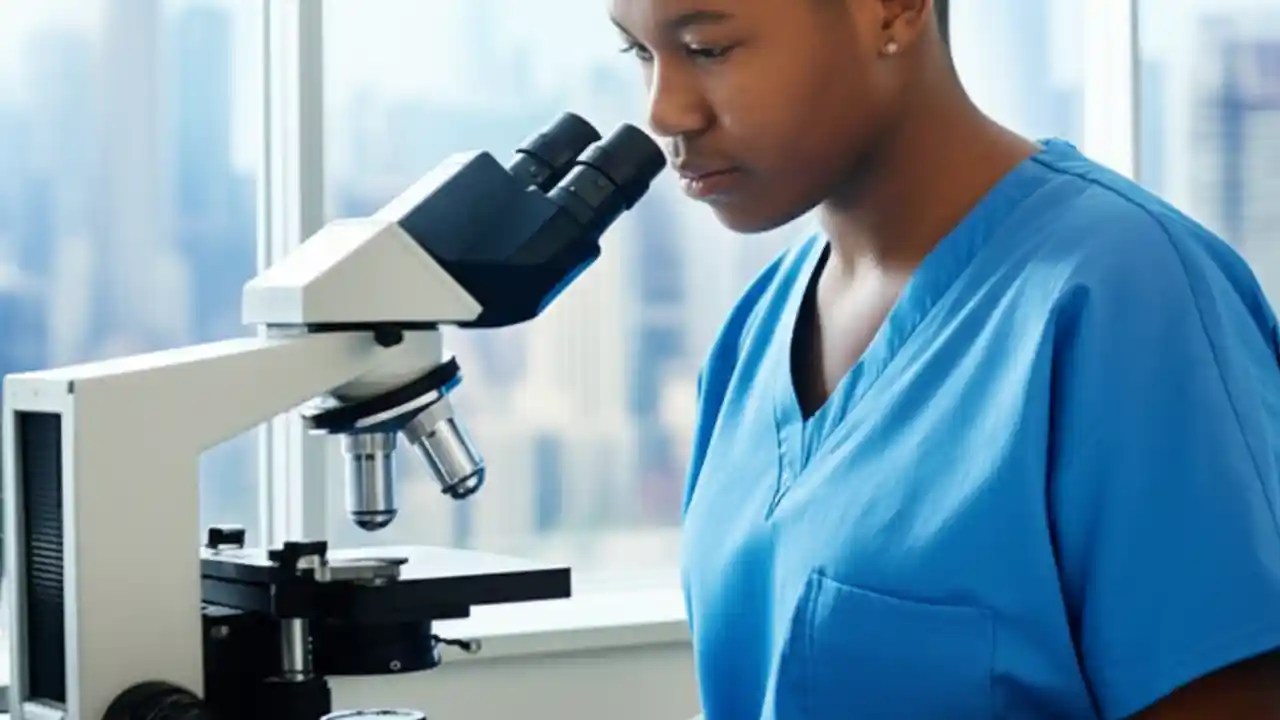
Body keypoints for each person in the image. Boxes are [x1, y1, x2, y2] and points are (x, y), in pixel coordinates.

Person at [608, 0, 1280, 718]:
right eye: (640, 55)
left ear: (893, 10)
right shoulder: (753, 332)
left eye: (708, 50)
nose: (665, 111)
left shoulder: (1128, 297)